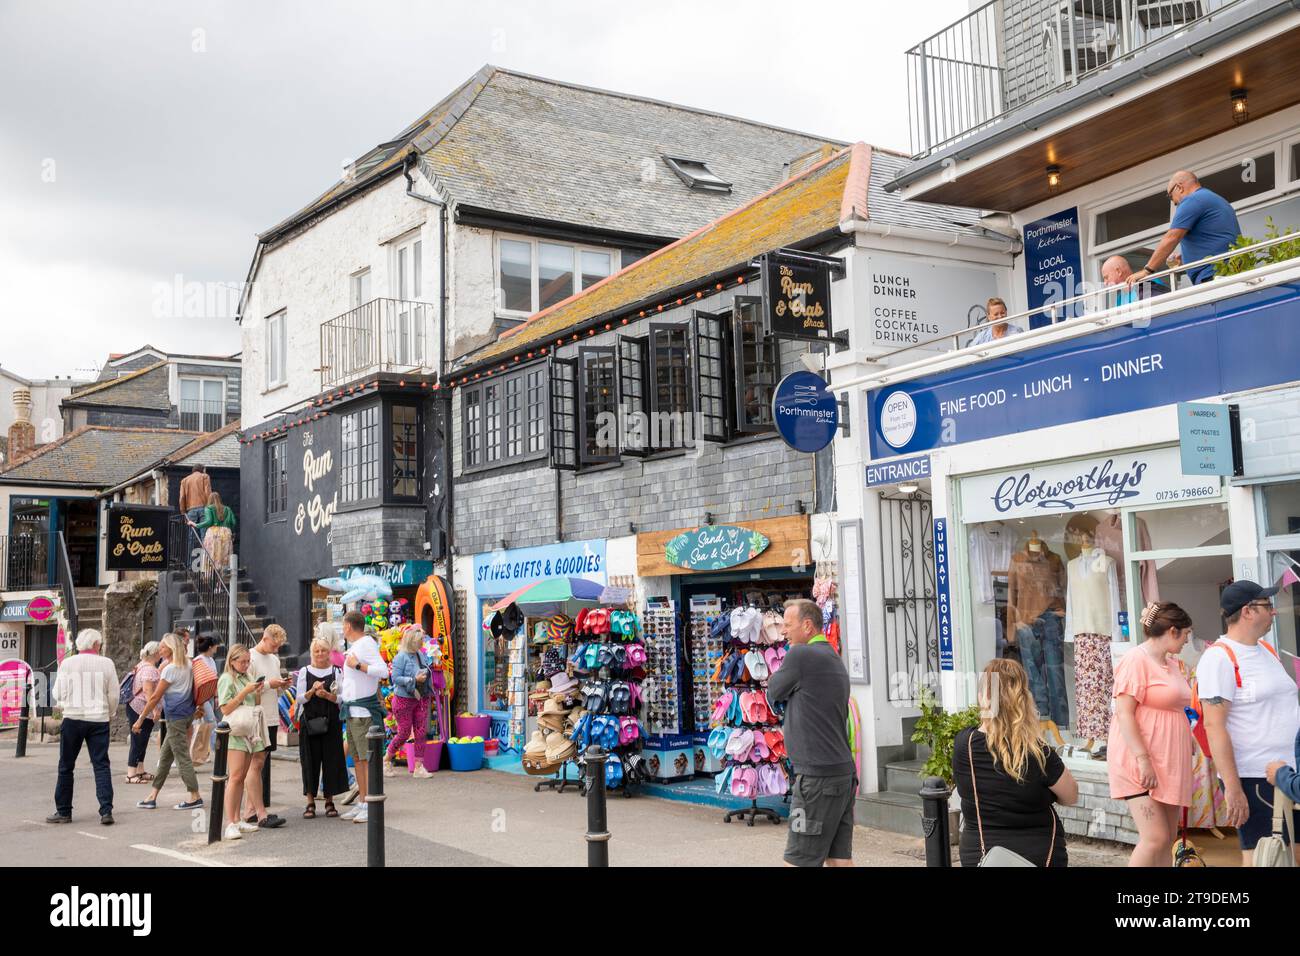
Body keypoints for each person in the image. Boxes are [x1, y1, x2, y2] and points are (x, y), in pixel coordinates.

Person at [1198, 580, 1300, 864]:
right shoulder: (1219, 658)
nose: (1274, 612)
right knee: (1265, 858)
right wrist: (1233, 788)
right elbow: (1213, 726)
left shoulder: (1265, 650)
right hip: (1256, 776)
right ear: (1248, 612)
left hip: (1286, 773)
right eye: (1268, 606)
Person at [952, 659, 1079, 867]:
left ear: (983, 698)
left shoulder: (964, 745)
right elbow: (1071, 795)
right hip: (1039, 855)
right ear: (1023, 699)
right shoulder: (1038, 751)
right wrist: (1046, 795)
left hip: (983, 856)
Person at [766, 598, 856, 867]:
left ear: (807, 626)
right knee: (839, 859)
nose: (783, 631)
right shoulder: (832, 656)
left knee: (798, 859)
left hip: (816, 780)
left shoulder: (800, 655)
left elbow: (773, 692)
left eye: (788, 625)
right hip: (842, 775)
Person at [1107, 602, 1195, 867]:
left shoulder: (1172, 663)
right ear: (1172, 631)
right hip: (1140, 757)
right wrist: (1142, 758)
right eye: (1185, 634)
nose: (1187, 641)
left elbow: (1175, 705)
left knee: (1167, 838)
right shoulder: (1136, 660)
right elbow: (1124, 712)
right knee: (1154, 838)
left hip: (1168, 759)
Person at [47, 629, 119, 826]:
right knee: (101, 764)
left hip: (73, 717)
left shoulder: (68, 664)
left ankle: (64, 812)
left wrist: (67, 701)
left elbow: (58, 693)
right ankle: (106, 811)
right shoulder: (107, 663)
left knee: (66, 766)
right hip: (98, 719)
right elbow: (113, 694)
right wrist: (109, 713)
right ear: (96, 644)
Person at [1126, 170, 1240, 287]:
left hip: (1213, 276)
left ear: (1179, 187)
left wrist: (1147, 270)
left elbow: (1171, 238)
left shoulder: (1192, 200)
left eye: (1171, 196)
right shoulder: (1216, 199)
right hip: (1229, 271)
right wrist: (1186, 257)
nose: (1174, 203)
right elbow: (1216, 237)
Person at [216, 644, 282, 839]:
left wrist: (257, 692)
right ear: (232, 661)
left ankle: (237, 820)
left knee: (242, 775)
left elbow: (254, 704)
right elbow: (225, 709)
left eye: (247, 661)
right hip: (235, 731)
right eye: (242, 662)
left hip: (248, 731)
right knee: (235, 777)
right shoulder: (227, 679)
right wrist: (245, 692)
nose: (246, 665)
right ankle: (230, 822)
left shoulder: (247, 678)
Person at [132, 632, 203, 811]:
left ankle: (195, 796)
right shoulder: (188, 664)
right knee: (165, 758)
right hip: (186, 715)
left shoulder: (171, 669)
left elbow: (156, 696)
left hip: (176, 717)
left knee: (182, 758)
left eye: (162, 647)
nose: (159, 649)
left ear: (170, 649)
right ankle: (152, 796)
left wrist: (141, 718)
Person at [339, 610, 390, 824]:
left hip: (363, 713)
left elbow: (383, 671)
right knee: (358, 760)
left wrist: (357, 665)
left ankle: (370, 804)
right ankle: (362, 801)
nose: (342, 629)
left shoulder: (366, 644)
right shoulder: (356, 646)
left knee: (366, 760)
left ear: (349, 626)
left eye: (343, 625)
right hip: (352, 711)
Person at [296, 637, 349, 817]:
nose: (320, 654)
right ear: (312, 653)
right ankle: (310, 802)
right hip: (309, 721)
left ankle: (329, 801)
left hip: (331, 721)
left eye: (323, 651)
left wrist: (326, 695)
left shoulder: (336, 671)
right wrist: (312, 691)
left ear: (329, 653)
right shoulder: (305, 671)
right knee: (309, 761)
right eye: (317, 651)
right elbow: (300, 699)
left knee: (331, 760)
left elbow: (342, 699)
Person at [246, 624, 291, 821]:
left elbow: (275, 686)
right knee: (255, 764)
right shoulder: (249, 657)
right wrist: (268, 684)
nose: (276, 649)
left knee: (260, 763)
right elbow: (248, 687)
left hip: (271, 715)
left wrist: (282, 684)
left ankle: (250, 810)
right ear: (264, 638)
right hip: (256, 716)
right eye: (274, 645)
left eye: (279, 646)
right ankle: (257, 811)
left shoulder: (274, 659)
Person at [385, 626, 434, 779]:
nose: (421, 644)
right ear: (412, 641)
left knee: (420, 732)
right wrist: (413, 679)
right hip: (404, 699)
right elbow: (395, 678)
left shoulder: (420, 654)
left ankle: (419, 767)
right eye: (419, 641)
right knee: (404, 733)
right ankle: (386, 760)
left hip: (421, 697)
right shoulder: (401, 657)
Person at [124, 641, 162, 784]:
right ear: (156, 653)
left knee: (142, 740)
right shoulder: (150, 669)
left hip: (135, 707)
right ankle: (131, 773)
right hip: (141, 709)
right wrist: (154, 709)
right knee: (138, 740)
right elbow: (147, 691)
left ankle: (140, 770)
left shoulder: (141, 665)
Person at [189, 635, 222, 765]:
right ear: (210, 647)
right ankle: (216, 749)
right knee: (211, 722)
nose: (217, 647)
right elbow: (197, 681)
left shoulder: (211, 660)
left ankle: (204, 752)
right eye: (215, 645)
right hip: (201, 698)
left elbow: (214, 679)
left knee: (205, 725)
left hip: (209, 697)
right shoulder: (198, 661)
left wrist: (216, 696)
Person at [191, 491, 236, 574]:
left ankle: (211, 576)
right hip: (226, 533)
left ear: (209, 499)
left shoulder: (208, 508)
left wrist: (196, 525)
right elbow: (233, 522)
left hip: (213, 533)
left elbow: (208, 521)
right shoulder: (227, 509)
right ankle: (222, 577)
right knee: (224, 556)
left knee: (211, 555)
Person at [1102, 255, 1168, 306]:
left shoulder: (1149, 281)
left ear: (1118, 271)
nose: (1105, 283)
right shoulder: (1119, 298)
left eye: (1106, 277)